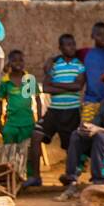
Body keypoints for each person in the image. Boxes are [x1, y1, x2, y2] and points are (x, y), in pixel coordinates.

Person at [25, 34, 86, 188]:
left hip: (71, 111)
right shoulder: (54, 65)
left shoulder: (79, 65)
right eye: (68, 45)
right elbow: (45, 87)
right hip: (54, 111)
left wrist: (57, 87)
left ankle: (70, 177)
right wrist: (67, 86)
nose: (72, 47)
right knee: (36, 136)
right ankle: (35, 177)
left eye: (73, 44)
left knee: (71, 145)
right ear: (60, 48)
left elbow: (78, 86)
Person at [0, 50, 40, 145]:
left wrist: (40, 120)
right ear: (9, 62)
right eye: (14, 60)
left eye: (21, 60)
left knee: (27, 152)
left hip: (28, 123)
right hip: (11, 124)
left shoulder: (29, 79)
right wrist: (0, 124)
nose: (18, 63)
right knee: (9, 153)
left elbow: (38, 99)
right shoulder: (5, 82)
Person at [78, 21, 104, 123]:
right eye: (99, 34)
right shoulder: (85, 53)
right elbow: (69, 54)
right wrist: (53, 59)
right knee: (86, 131)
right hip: (90, 101)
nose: (103, 37)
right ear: (92, 36)